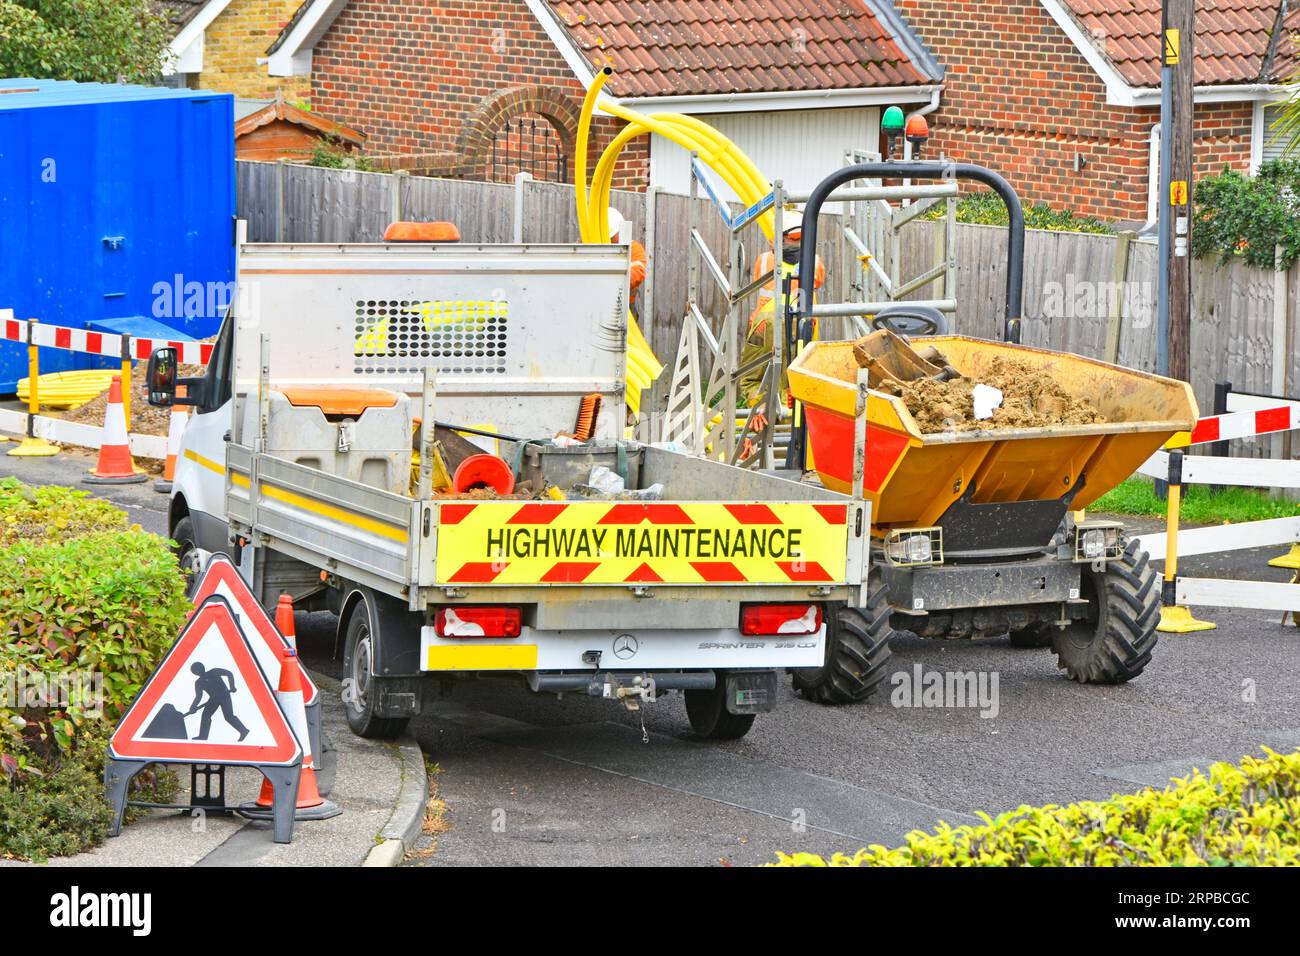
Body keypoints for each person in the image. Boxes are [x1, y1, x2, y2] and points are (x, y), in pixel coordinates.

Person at [739, 227, 825, 407]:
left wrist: (758, 404)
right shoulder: (814, 261)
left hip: (784, 326)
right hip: (772, 327)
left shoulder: (763, 261)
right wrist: (759, 405)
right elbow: (749, 380)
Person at [184, 662, 250, 742]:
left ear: (202, 668)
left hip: (224, 696)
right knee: (206, 716)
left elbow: (229, 674)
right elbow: (198, 696)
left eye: (198, 669)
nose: (198, 672)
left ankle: (243, 730)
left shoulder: (214, 672)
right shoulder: (199, 682)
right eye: (195, 671)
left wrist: (232, 686)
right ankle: (203, 736)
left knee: (228, 716)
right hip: (213, 699)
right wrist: (193, 707)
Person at [607, 208, 647, 307]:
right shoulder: (596, 247)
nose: (611, 240)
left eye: (613, 236)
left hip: (625, 306)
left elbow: (638, 273)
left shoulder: (634, 248)